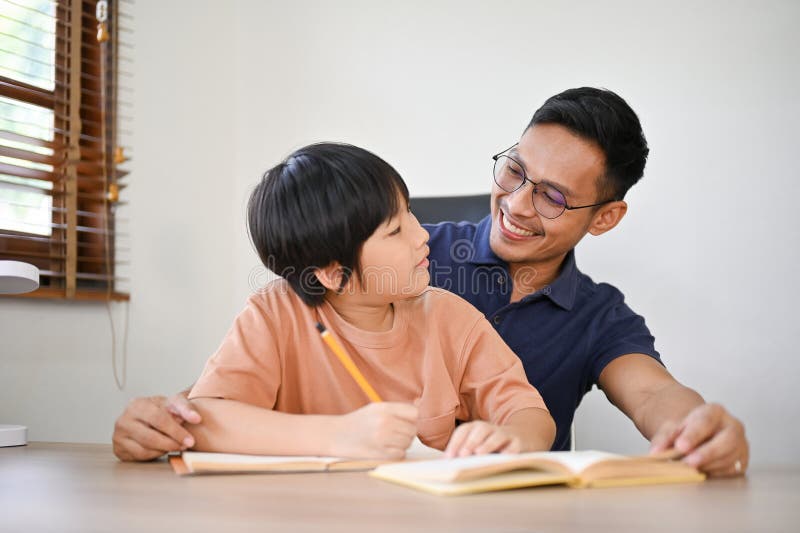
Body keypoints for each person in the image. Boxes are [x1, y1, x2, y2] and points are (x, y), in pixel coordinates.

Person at [113, 88, 748, 477]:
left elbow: (652, 395)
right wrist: (166, 417)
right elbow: (225, 399)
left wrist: (699, 427)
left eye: (552, 196)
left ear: (604, 217)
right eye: (514, 172)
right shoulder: (402, 262)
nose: (518, 204)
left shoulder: (585, 315)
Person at [171, 142, 555, 459]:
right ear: (333, 273)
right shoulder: (274, 314)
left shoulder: (450, 317)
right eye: (395, 230)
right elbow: (205, 419)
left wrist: (515, 439)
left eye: (410, 214)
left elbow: (529, 413)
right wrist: (338, 436)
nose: (422, 235)